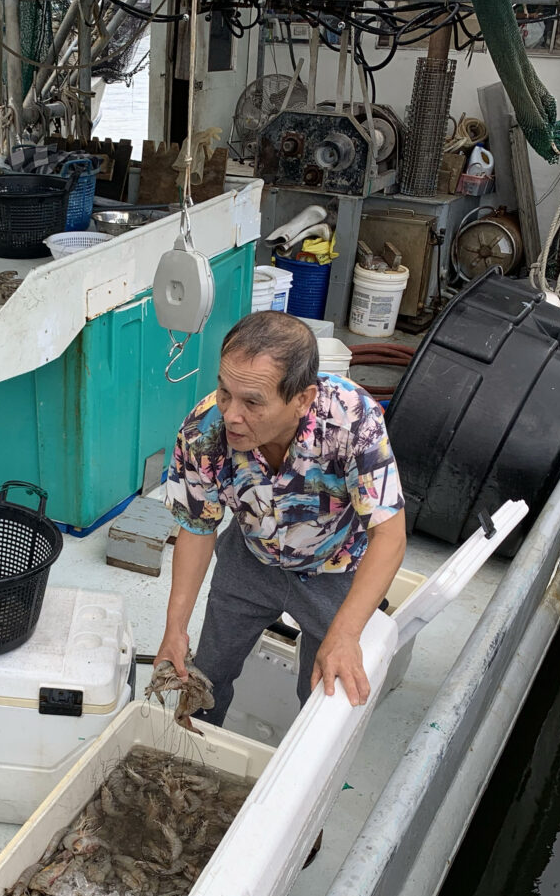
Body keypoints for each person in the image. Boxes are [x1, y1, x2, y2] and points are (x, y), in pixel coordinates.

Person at [154, 310, 406, 727]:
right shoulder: (204, 431)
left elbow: (390, 537)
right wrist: (174, 627)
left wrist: (344, 635)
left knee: (323, 691)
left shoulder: (354, 420)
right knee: (205, 680)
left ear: (302, 399)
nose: (232, 415)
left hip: (335, 564)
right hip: (250, 555)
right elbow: (198, 529)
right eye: (224, 392)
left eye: (252, 401)